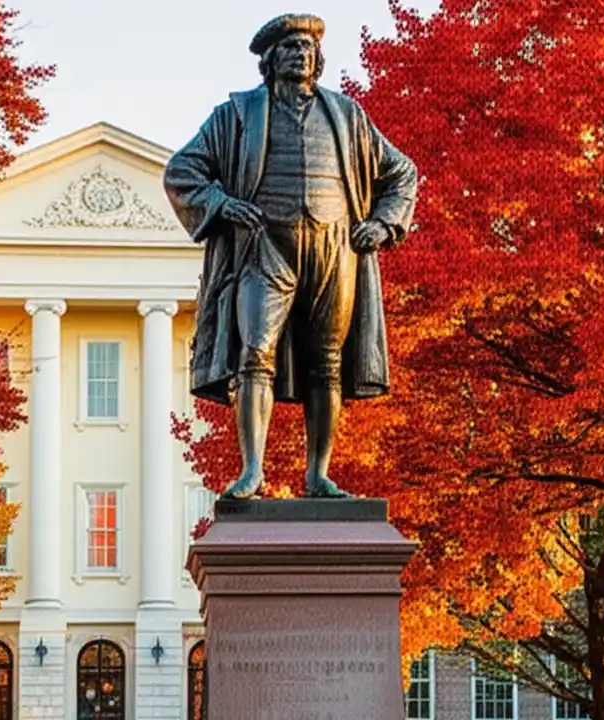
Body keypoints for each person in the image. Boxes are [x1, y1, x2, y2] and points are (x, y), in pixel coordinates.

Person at [164, 13, 418, 499]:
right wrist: (221, 204)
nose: (300, 54)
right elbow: (182, 170)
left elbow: (401, 172)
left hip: (334, 246)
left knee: (327, 361)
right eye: (289, 48)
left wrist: (383, 222)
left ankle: (318, 474)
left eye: (307, 48)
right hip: (265, 246)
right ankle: (252, 471)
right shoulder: (236, 115)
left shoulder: (347, 116)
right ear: (269, 60)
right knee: (255, 354)